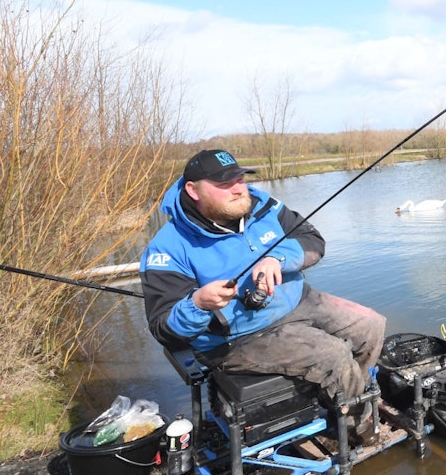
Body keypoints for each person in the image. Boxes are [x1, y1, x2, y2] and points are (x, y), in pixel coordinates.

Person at [140, 149, 385, 440]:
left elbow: (313, 241)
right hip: (234, 339)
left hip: (295, 300)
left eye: (240, 179)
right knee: (333, 355)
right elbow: (163, 328)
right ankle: (358, 426)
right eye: (224, 184)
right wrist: (198, 304)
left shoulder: (263, 206)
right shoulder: (167, 247)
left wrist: (277, 259)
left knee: (371, 324)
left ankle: (345, 398)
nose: (238, 189)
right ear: (193, 190)